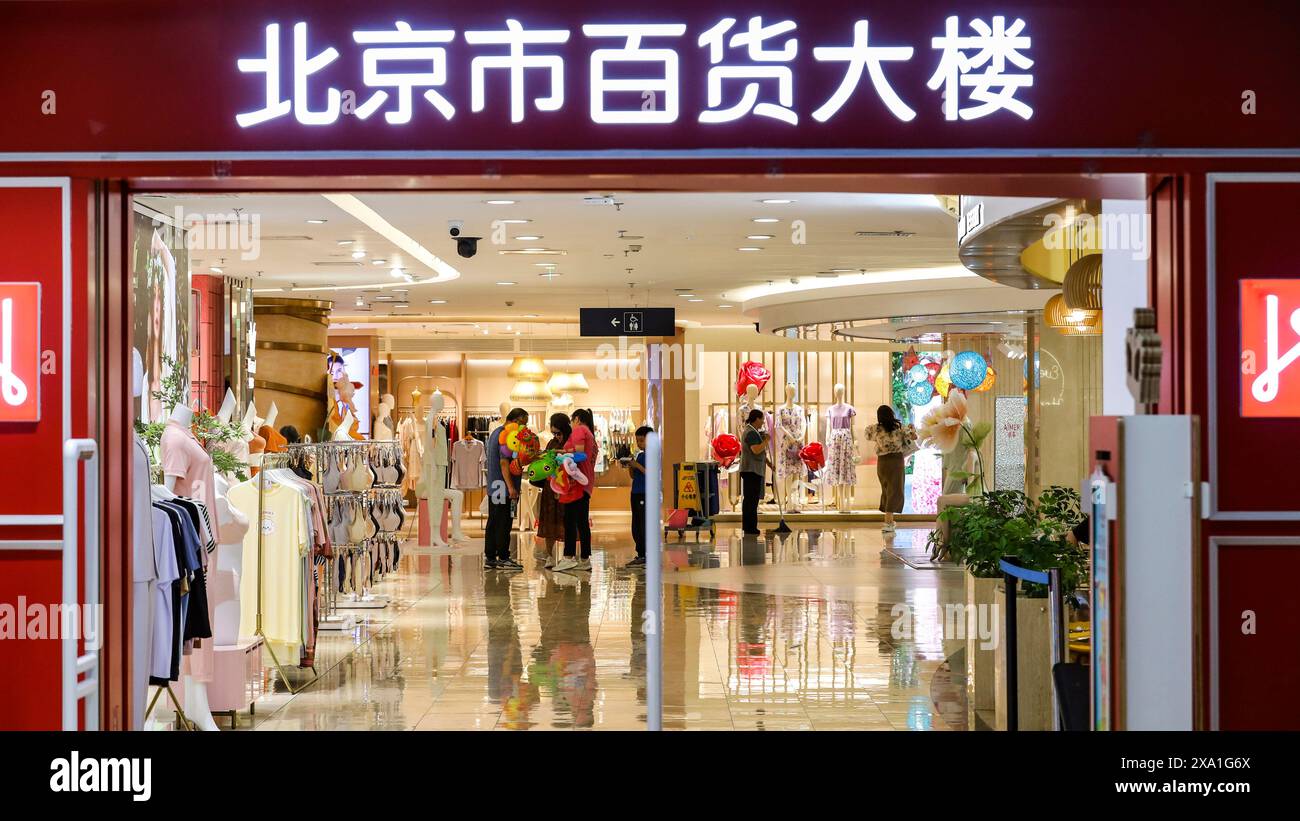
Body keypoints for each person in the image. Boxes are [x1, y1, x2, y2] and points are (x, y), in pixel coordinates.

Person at [555, 408, 598, 572]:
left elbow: (579, 454)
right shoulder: (590, 435)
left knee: (571, 521)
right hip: (584, 483)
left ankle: (568, 556)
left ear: (578, 419)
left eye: (572, 421)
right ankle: (584, 558)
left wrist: (562, 456)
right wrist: (563, 452)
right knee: (581, 522)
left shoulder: (580, 430)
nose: (571, 425)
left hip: (577, 484)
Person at [863, 404, 917, 536]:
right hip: (896, 461)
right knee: (895, 490)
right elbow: (914, 437)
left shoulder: (875, 429)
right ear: (892, 414)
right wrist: (912, 429)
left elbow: (866, 434)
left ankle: (889, 521)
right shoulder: (899, 428)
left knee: (887, 489)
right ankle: (888, 523)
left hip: (882, 463)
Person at [485, 407, 528, 571]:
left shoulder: (497, 432)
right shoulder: (507, 436)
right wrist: (511, 487)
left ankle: (491, 556)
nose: (523, 427)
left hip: (495, 486)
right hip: (503, 487)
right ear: (516, 420)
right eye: (522, 423)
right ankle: (502, 556)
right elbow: (504, 463)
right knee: (503, 521)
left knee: (494, 521)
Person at [534, 414, 570, 569]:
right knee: (549, 521)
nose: (556, 436)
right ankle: (549, 555)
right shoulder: (551, 443)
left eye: (559, 433)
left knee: (567, 521)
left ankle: (568, 556)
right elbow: (545, 465)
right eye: (554, 433)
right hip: (550, 486)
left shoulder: (571, 443)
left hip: (567, 487)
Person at [622, 426, 653, 568]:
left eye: (642, 440)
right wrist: (630, 465)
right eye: (638, 441)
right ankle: (640, 553)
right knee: (636, 524)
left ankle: (645, 554)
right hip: (635, 492)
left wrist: (637, 465)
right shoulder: (641, 455)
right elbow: (633, 476)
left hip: (645, 493)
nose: (639, 443)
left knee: (643, 524)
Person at [740, 409, 769, 536]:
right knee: (751, 500)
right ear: (756, 419)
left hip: (753, 470)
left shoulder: (754, 431)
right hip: (751, 470)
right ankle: (750, 527)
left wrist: (769, 463)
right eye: (762, 419)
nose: (763, 422)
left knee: (751, 500)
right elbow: (756, 450)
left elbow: (760, 451)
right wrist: (766, 440)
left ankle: (750, 526)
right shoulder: (750, 432)